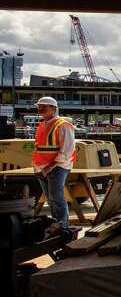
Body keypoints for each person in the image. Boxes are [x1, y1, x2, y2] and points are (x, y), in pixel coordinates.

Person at [31, 96, 75, 232]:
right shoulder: (42, 125)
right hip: (42, 167)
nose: (40, 109)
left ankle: (62, 226)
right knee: (52, 199)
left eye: (44, 106)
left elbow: (67, 150)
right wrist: (37, 166)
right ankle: (57, 225)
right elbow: (39, 147)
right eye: (39, 106)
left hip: (57, 167)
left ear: (53, 109)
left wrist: (51, 166)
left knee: (56, 198)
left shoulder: (63, 125)